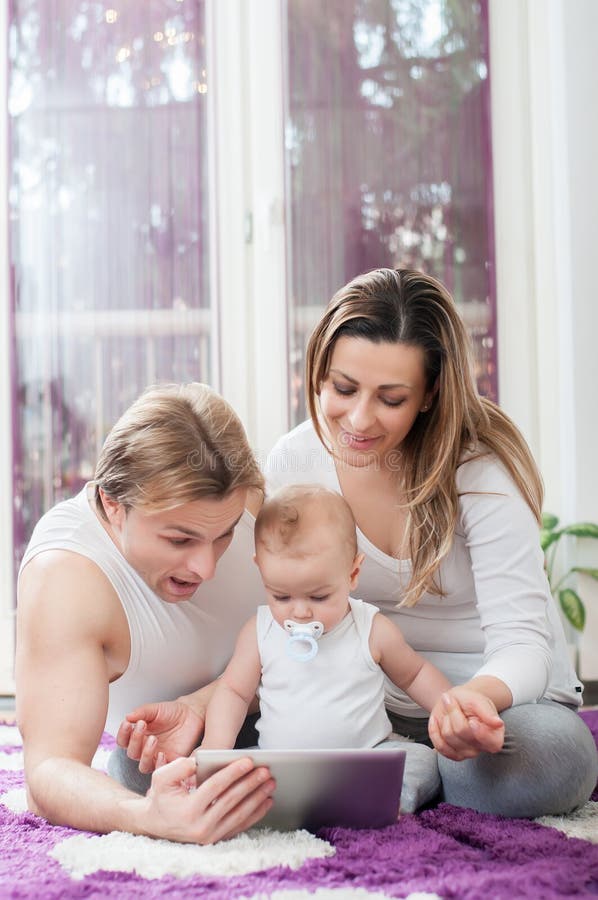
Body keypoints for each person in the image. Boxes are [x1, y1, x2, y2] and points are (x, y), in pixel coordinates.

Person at [263, 266, 598, 817]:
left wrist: (470, 705)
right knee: (150, 764)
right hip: (359, 702)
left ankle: (421, 766)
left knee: (550, 762)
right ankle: (411, 767)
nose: (359, 419)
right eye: (343, 388)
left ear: (429, 394)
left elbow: (523, 643)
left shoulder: (481, 468)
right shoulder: (296, 463)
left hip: (491, 702)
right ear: (319, 372)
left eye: (390, 398)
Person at [16, 382, 276, 844]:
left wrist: (200, 705)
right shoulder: (68, 575)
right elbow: (49, 772)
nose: (207, 567)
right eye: (180, 540)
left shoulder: (244, 497)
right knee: (132, 773)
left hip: (299, 705)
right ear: (114, 507)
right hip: (198, 749)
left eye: (225, 535)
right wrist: (147, 816)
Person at [200, 483, 471, 765]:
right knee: (242, 771)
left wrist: (450, 711)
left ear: (352, 573)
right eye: (281, 596)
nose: (301, 612)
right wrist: (214, 747)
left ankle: (386, 801)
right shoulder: (260, 631)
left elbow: (414, 675)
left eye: (319, 596)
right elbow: (233, 691)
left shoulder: (370, 628)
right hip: (280, 762)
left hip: (369, 758)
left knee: (420, 762)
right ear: (262, 570)